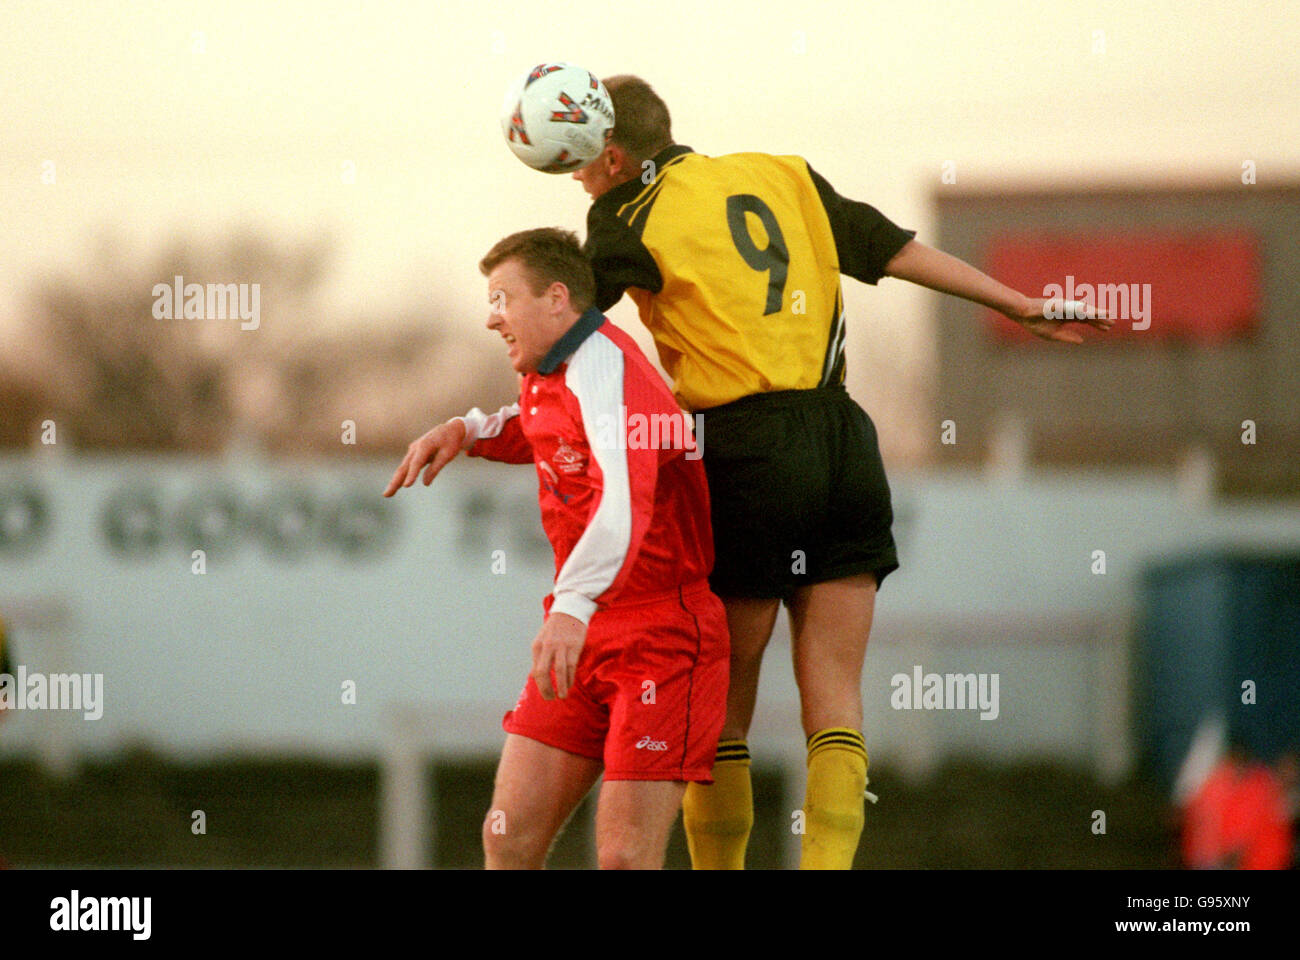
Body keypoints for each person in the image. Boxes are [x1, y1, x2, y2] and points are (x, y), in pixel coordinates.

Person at [398, 77, 1111, 869]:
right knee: (836, 695)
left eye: (580, 167)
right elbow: (897, 251)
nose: (576, 181)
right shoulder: (784, 174)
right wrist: (1015, 302)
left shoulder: (625, 213)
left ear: (611, 155)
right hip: (843, 437)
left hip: (741, 446)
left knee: (720, 706)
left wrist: (489, 411)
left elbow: (572, 333)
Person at [383, 228, 729, 869]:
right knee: (508, 838)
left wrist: (571, 607)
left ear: (556, 298)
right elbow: (543, 428)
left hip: (662, 635)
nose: (491, 319)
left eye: (501, 299)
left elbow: (623, 504)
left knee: (624, 859)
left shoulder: (605, 364)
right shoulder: (555, 370)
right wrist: (468, 429)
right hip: (586, 628)